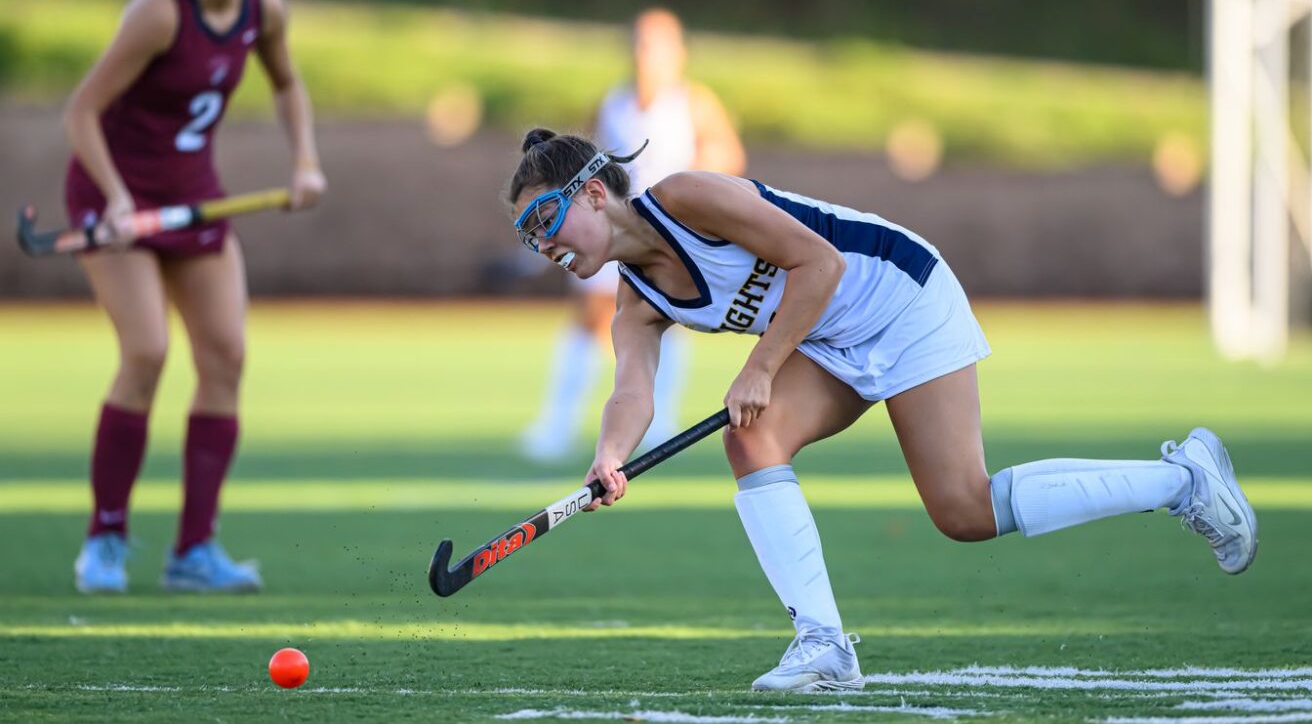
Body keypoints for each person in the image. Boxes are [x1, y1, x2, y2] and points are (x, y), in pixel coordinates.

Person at [507, 128, 1258, 692]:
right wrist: (610, 455)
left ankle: (1186, 481)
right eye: (526, 234)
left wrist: (760, 366)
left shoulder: (688, 198)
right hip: (828, 336)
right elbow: (632, 390)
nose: (541, 243)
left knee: (964, 509)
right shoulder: (636, 301)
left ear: (594, 192)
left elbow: (821, 262)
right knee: (753, 441)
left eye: (543, 217)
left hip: (901, 296)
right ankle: (824, 646)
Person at [64, 0, 326, 593]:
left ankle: (194, 552)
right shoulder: (159, 11)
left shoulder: (263, 7)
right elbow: (81, 111)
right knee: (146, 350)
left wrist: (304, 160)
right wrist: (117, 199)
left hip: (193, 200)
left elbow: (286, 83)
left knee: (225, 356)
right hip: (114, 198)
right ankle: (104, 540)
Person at [519, 9, 745, 462]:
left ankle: (660, 424)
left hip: (671, 232)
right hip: (615, 229)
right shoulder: (612, 102)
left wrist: (691, 191)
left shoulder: (693, 103)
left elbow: (728, 156)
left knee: (669, 316)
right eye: (640, 43)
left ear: (677, 53)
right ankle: (558, 424)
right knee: (591, 316)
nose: (646, 54)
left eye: (656, 45)